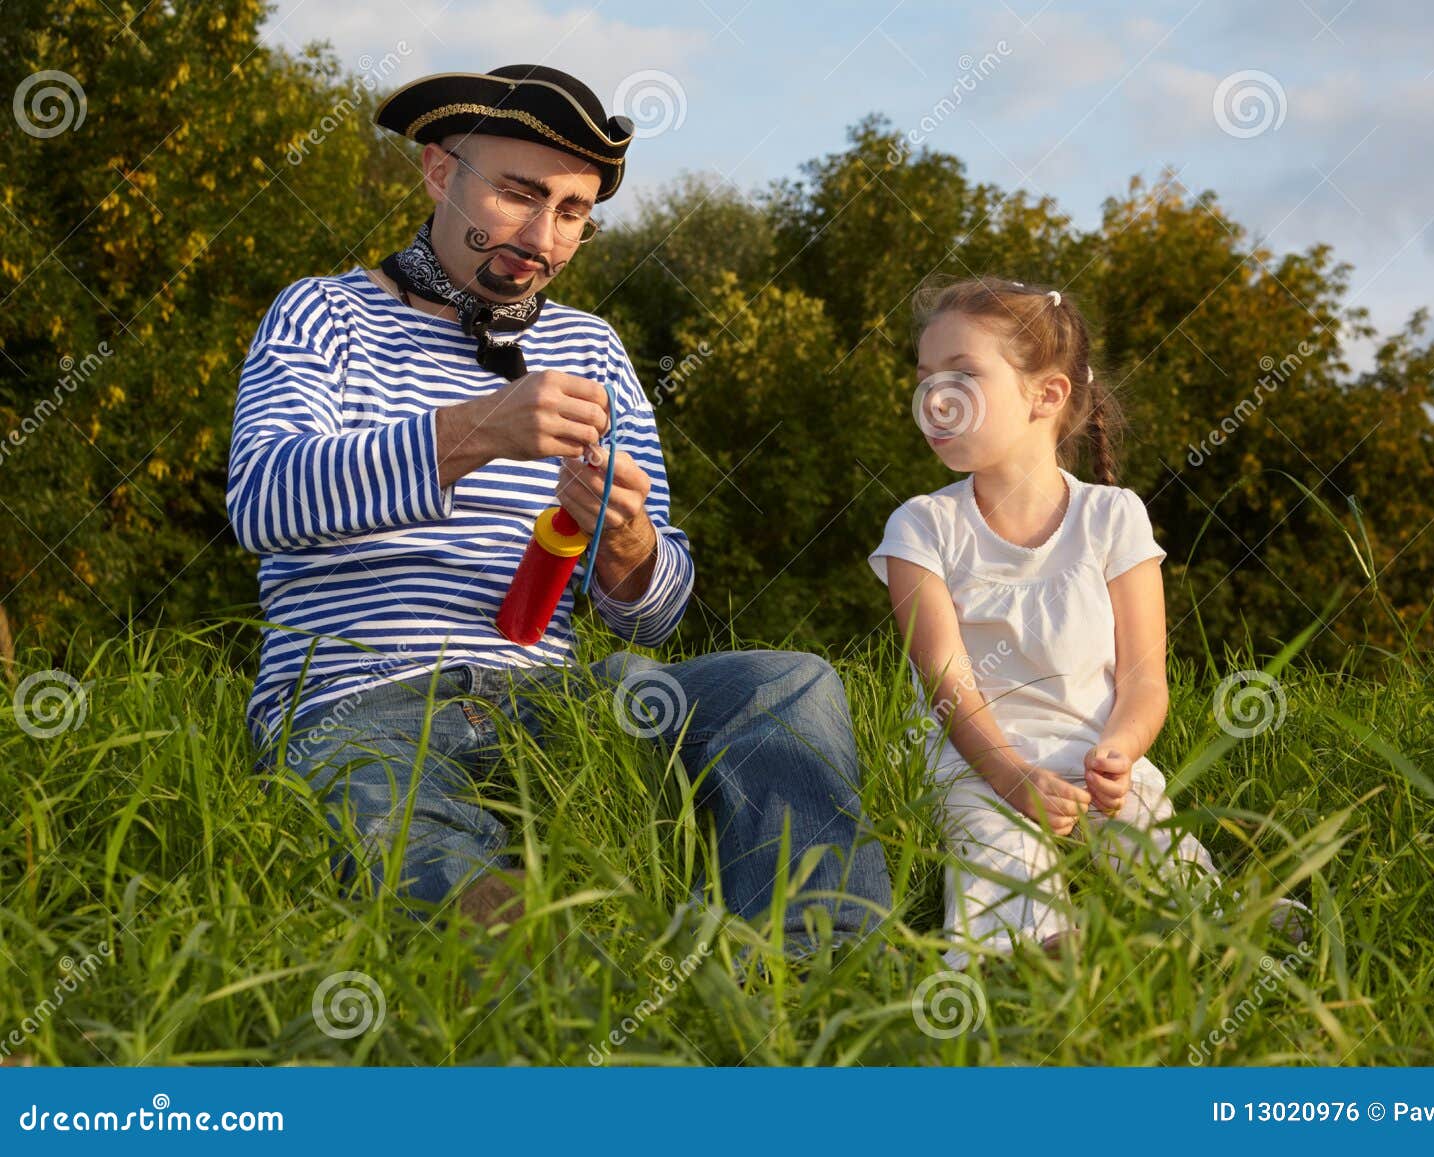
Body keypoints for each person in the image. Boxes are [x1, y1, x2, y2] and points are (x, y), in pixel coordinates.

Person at [226, 64, 889, 947]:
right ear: (437, 171)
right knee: (400, 831)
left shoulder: (592, 347)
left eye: (573, 211)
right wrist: (475, 430)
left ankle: (815, 971)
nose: (543, 236)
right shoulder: (322, 314)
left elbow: (656, 613)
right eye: (518, 193)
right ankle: (535, 972)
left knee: (788, 684)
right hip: (361, 705)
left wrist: (627, 542)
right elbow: (264, 498)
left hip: (557, 700)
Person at [868, 275, 1307, 967]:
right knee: (996, 848)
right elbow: (946, 679)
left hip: (1094, 757)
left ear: (1046, 395)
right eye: (925, 378)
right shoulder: (922, 527)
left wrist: (1122, 753)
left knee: (1158, 843)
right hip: (979, 765)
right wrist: (1014, 779)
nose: (936, 399)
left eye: (963, 375)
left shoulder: (1113, 516)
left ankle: (1222, 926)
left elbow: (1143, 681)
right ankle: (1034, 953)